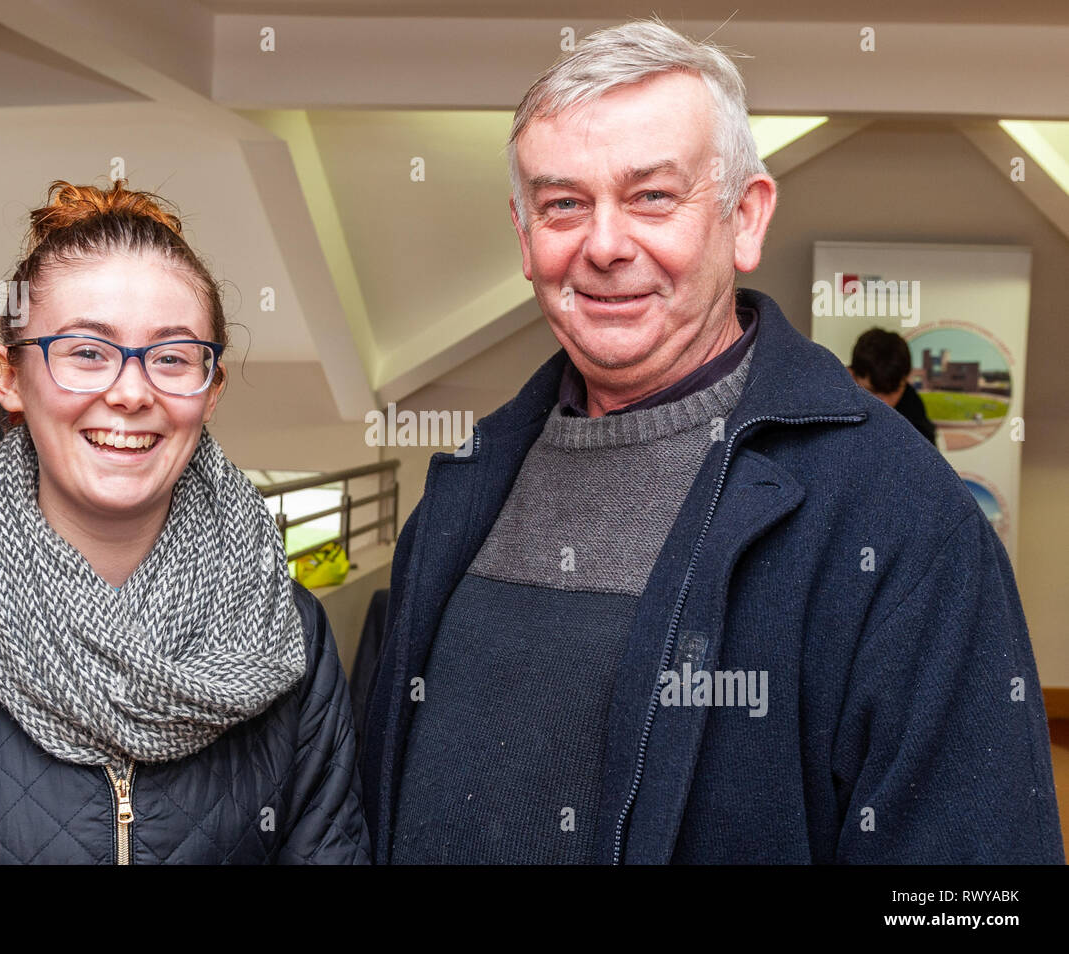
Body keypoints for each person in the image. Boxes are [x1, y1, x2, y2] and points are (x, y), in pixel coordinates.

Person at [360, 19, 1062, 864]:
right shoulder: (464, 485)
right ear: (523, 235)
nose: (606, 245)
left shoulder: (907, 521)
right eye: (563, 204)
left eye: (653, 196)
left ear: (745, 218)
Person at [0, 180, 369, 864]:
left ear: (210, 390)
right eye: (87, 352)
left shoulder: (285, 632)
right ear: (9, 377)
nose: (131, 392)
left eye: (171, 357)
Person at [849, 327, 936, 446]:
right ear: (852, 374)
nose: (884, 403)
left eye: (893, 392)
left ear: (906, 379)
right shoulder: (827, 400)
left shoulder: (916, 421)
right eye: (873, 391)